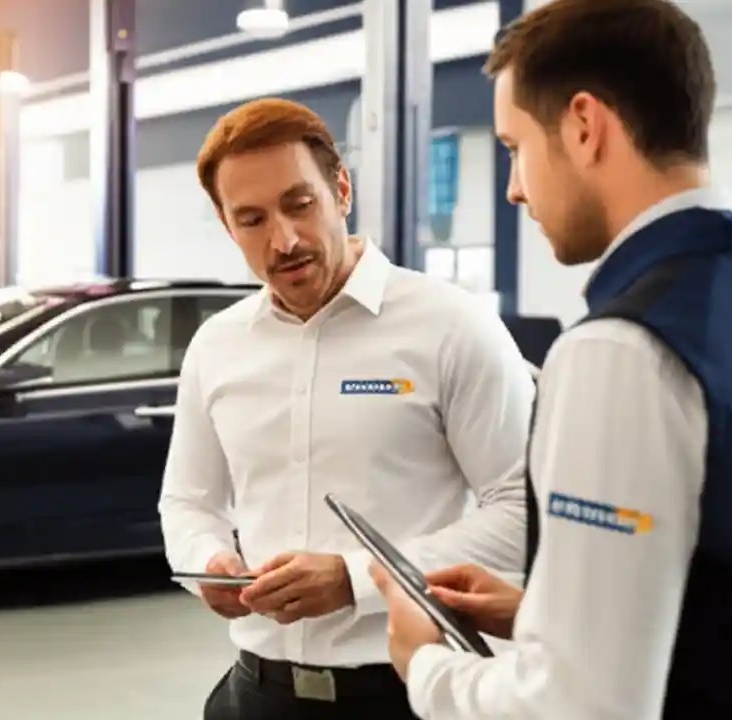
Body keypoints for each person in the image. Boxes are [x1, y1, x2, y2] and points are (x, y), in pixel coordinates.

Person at [370, 0, 732, 718]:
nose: (514, 188)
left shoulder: (623, 352)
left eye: (514, 148)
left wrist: (428, 666)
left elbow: (577, 707)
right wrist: (549, 611)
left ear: (585, 126)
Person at [157, 97, 537, 719]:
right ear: (228, 228)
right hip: (259, 694)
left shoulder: (452, 326)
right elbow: (189, 501)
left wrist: (356, 577)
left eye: (299, 204)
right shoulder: (218, 345)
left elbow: (523, 509)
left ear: (341, 189)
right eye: (251, 219)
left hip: (406, 691)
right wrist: (206, 562)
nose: (283, 239)